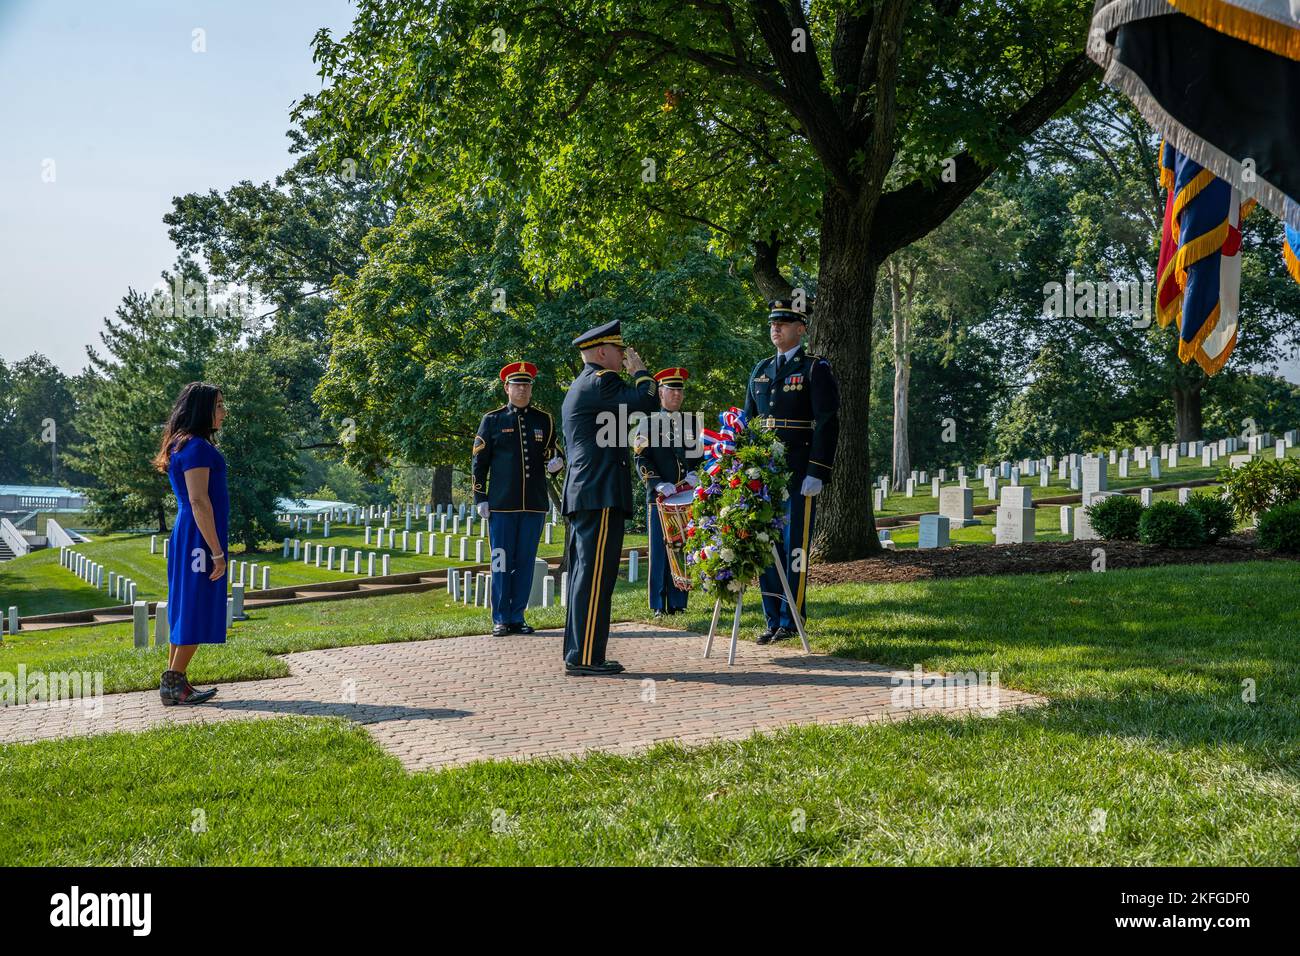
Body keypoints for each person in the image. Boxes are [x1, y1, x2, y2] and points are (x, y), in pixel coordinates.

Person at [560, 319, 660, 675]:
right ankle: (585, 656)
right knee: (594, 577)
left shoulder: (586, 384)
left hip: (589, 491)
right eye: (619, 352)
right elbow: (647, 402)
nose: (624, 358)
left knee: (587, 575)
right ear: (602, 352)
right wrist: (643, 373)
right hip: (598, 493)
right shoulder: (601, 382)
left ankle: (581, 653)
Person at [743, 298, 840, 644]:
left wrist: (818, 470)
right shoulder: (761, 370)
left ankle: (791, 616)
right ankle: (772, 618)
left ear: (801, 328)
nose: (776, 329)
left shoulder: (814, 368)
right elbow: (747, 423)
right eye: (772, 323)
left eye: (783, 323)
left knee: (792, 545)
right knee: (765, 546)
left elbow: (827, 422)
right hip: (763, 476)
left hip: (799, 472)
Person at [472, 361, 564, 636]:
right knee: (500, 562)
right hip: (501, 505)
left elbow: (552, 451)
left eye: (526, 385)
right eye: (517, 384)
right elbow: (479, 462)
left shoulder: (543, 419)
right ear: (506, 388)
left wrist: (556, 462)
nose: (522, 389)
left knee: (525, 562)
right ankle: (500, 617)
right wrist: (480, 497)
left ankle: (518, 615)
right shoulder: (492, 420)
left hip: (534, 504)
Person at [151, 382, 228, 705]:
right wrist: (217, 552)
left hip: (191, 534)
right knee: (194, 607)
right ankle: (174, 683)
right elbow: (199, 501)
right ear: (203, 410)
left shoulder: (182, 444)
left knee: (186, 607)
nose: (224, 412)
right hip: (198, 537)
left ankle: (175, 683)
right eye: (220, 405)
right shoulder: (195, 447)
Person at [633, 367, 698, 617]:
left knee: (683, 546)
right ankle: (659, 604)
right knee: (661, 550)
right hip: (661, 499)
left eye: (680, 390)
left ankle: (679, 601)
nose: (677, 394)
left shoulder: (691, 423)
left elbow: (697, 456)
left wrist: (696, 473)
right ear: (660, 392)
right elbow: (641, 459)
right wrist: (657, 483)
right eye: (672, 389)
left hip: (685, 497)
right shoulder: (647, 423)